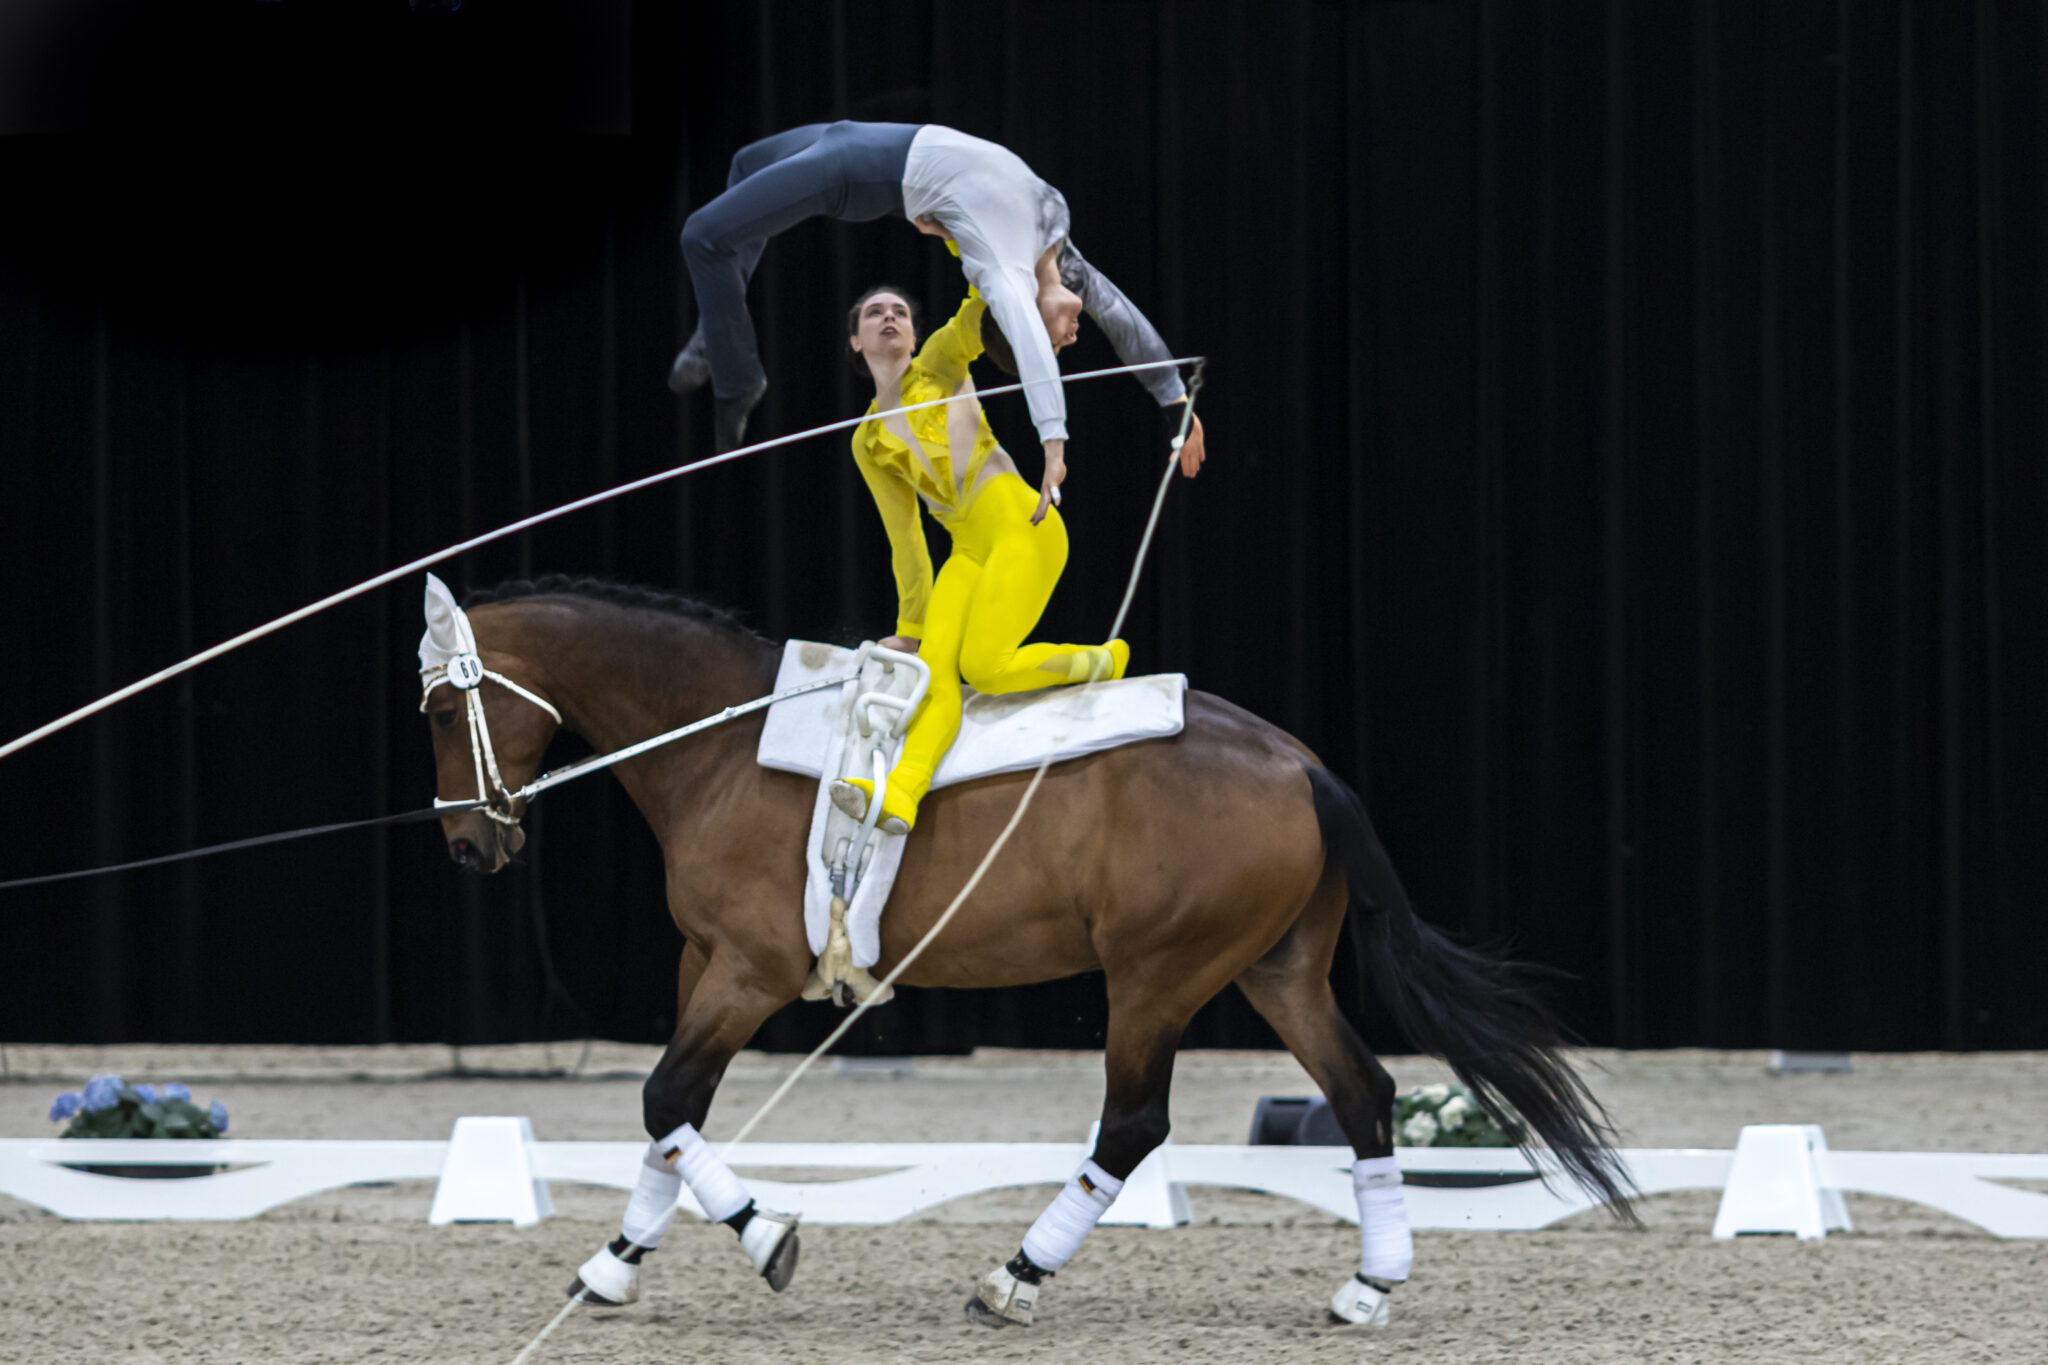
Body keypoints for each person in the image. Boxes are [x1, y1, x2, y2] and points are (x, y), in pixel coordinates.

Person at [670, 120, 1206, 505]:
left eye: (1058, 342)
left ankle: (738, 380)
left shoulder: (1005, 275)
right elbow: (1123, 320)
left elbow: (1029, 341)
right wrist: (1174, 403)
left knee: (701, 237)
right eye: (1066, 341)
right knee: (745, 164)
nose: (1072, 335)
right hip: (862, 134)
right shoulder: (1060, 253)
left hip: (850, 176)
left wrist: (1053, 440)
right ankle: (712, 333)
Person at [828, 282, 1142, 835]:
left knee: (984, 668)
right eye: (874, 314)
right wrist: (911, 626)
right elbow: (906, 541)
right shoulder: (868, 442)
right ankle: (901, 792)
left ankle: (1098, 662)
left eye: (900, 311)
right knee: (934, 676)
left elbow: (980, 308)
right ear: (856, 341)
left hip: (1027, 526)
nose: (889, 318)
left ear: (915, 334)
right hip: (968, 551)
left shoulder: (941, 363)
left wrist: (971, 248)